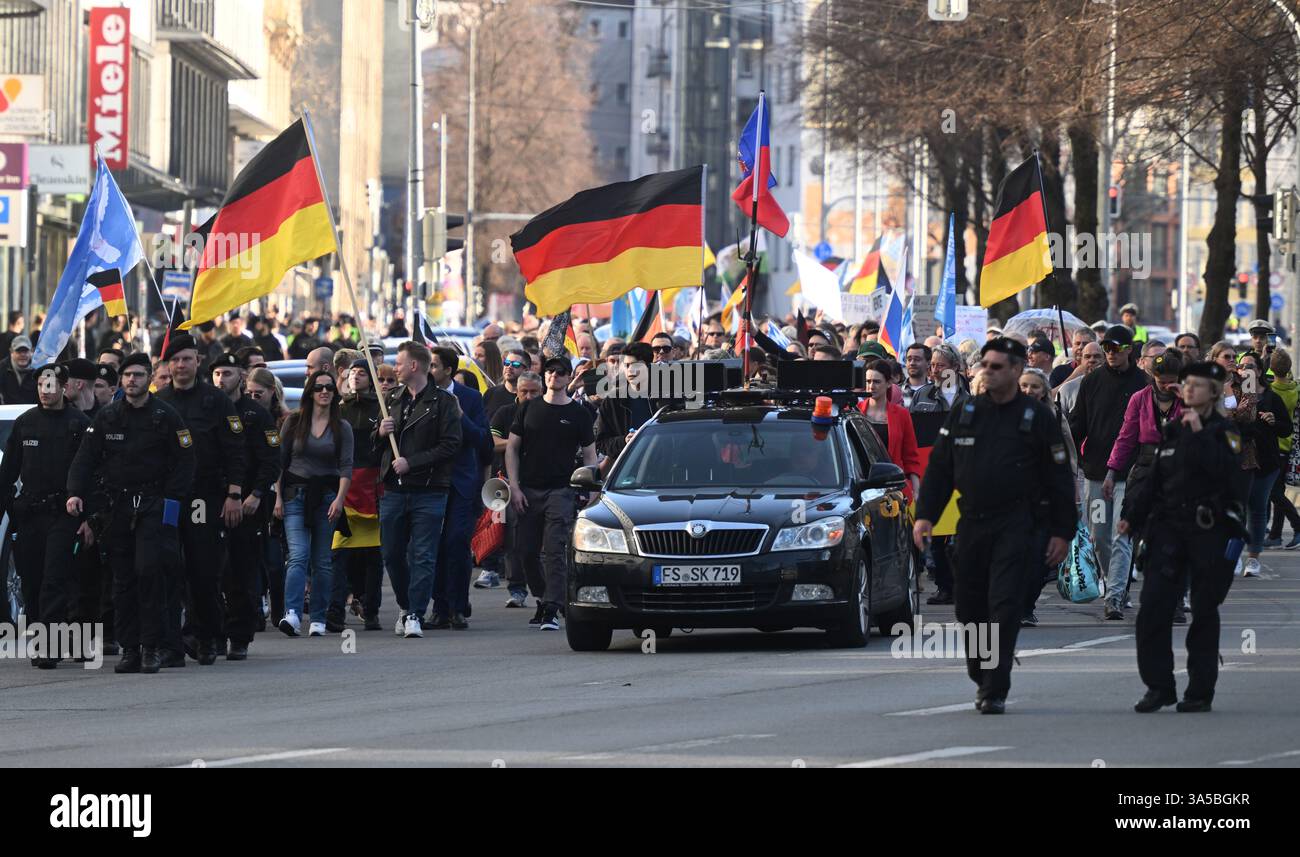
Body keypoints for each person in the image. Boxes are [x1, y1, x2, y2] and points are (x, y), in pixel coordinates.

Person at [914, 338, 1076, 714]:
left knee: (1004, 605)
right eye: (985, 365)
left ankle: (994, 686)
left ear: (1017, 370)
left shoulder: (1036, 419)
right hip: (972, 522)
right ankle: (981, 671)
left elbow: (1058, 479)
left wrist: (1062, 531)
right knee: (969, 607)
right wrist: (926, 515)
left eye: (998, 366)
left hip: (1018, 524)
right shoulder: (966, 412)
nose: (988, 371)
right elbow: (940, 469)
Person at [1120, 361, 1248, 713]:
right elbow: (1156, 478)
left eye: (1198, 385)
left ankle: (1199, 691)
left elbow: (1230, 479)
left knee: (1205, 611)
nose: (1189, 390)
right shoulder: (1174, 429)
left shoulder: (1226, 433)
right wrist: (1132, 516)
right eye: (1186, 384)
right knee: (1153, 610)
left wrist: (1200, 436)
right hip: (1168, 530)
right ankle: (1159, 686)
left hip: (1210, 531)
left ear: (1215, 392)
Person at [67, 353, 195, 673]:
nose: (132, 380)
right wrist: (75, 494)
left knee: (148, 572)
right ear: (121, 380)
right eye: (127, 376)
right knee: (122, 580)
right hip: (118, 507)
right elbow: (85, 459)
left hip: (153, 504)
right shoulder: (108, 418)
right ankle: (131, 649)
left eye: (138, 375)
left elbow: (185, 461)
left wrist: (171, 502)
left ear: (149, 378)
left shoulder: (166, 416)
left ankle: (152, 647)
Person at [154, 334, 249, 665]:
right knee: (166, 570)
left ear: (197, 361)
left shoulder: (216, 401)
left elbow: (236, 451)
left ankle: (209, 636)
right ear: (168, 365)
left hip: (203, 497)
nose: (181, 366)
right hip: (167, 499)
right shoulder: (160, 401)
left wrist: (234, 493)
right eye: (175, 360)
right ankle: (171, 643)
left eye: (187, 359)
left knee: (203, 569)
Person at [0, 365, 94, 666]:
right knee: (32, 581)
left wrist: (88, 518)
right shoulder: (26, 423)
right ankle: (43, 637)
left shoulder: (79, 424)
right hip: (29, 514)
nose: (46, 390)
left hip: (63, 513)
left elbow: (92, 474)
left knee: (55, 578)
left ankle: (49, 647)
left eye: (52, 384)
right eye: (42, 384)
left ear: (65, 387)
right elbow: (8, 472)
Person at [375, 341, 462, 638]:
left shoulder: (444, 403)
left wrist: (412, 463)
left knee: (423, 554)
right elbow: (375, 448)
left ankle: (415, 613)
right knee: (392, 553)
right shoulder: (391, 399)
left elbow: (450, 445)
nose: (394, 368)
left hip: (429, 489)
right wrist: (380, 432)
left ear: (414, 366)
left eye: (399, 363)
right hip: (394, 490)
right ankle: (405, 603)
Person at [507, 356, 597, 631]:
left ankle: (552, 608)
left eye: (560, 372)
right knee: (526, 552)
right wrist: (514, 486)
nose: (553, 376)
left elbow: (590, 456)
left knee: (555, 550)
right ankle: (544, 598)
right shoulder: (528, 408)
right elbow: (511, 448)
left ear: (569, 377)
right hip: (528, 489)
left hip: (562, 490)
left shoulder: (580, 413)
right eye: (549, 371)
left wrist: (590, 490)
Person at [1068, 325, 1148, 620]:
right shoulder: (1092, 382)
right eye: (1107, 349)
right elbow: (1079, 424)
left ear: (1129, 350)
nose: (1111, 354)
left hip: (1131, 475)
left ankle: (1115, 595)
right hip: (1096, 474)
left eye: (1116, 348)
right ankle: (1112, 580)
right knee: (1099, 537)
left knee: (1121, 537)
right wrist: (1063, 441)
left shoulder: (1144, 383)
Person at [210, 353, 281, 658]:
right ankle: (210, 632)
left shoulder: (255, 414)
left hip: (248, 505)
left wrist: (256, 495)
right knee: (209, 571)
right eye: (216, 374)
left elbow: (271, 460)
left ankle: (240, 634)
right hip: (211, 503)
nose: (221, 380)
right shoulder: (207, 410)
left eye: (227, 373)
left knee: (242, 569)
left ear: (240, 376)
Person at [273, 370, 352, 636]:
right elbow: (280, 463)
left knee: (322, 560)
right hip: (294, 495)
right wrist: (277, 498)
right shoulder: (294, 422)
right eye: (319, 388)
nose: (324, 392)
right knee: (297, 556)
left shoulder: (342, 427)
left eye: (329, 387)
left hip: (327, 497)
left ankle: (318, 617)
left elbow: (346, 467)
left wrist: (340, 500)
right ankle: (292, 613)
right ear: (310, 392)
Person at [430, 345, 491, 630]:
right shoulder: (423, 396)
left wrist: (460, 416)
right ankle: (439, 608)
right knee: (433, 545)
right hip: (429, 482)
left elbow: (483, 440)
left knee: (456, 542)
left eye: (433, 366)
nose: (429, 371)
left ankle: (457, 607)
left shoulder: (471, 398)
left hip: (461, 484)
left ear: (447, 370)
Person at [1016, 366, 1076, 627]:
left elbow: (1069, 455)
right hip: (1015, 499)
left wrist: (1070, 487)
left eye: (1034, 386)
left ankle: (1027, 605)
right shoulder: (1005, 413)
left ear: (1043, 390)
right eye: (1024, 386)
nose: (1028, 390)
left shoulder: (1054, 415)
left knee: (1041, 559)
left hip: (1046, 497)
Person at [328, 358, 384, 631]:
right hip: (345, 487)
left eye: (362, 373)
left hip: (373, 486)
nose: (356, 377)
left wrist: (383, 432)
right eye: (353, 373)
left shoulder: (382, 409)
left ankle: (371, 610)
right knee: (340, 554)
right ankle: (335, 610)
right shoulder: (338, 410)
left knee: (373, 556)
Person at [490, 371, 544, 608]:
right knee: (513, 537)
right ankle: (517, 588)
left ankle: (545, 591)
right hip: (509, 484)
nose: (529, 396)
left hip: (543, 483)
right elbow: (493, 443)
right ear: (517, 392)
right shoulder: (505, 413)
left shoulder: (549, 412)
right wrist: (518, 442)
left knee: (543, 543)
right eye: (525, 392)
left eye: (534, 392)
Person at [1237, 350, 1289, 577]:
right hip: (1239, 461)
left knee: (1257, 509)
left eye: (1251, 366)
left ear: (1260, 371)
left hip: (1266, 462)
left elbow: (1286, 428)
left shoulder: (1271, 397)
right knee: (1236, 510)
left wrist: (1273, 421)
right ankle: (1234, 556)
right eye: (1242, 366)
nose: (1246, 370)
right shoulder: (1233, 393)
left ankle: (1253, 559)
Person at [858, 361, 922, 501]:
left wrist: (916, 491)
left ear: (888, 383)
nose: (871, 386)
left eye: (877, 382)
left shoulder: (901, 415)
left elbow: (910, 457)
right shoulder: (855, 411)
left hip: (893, 488)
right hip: (862, 488)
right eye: (868, 381)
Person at [1265, 348, 1300, 549]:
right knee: (1278, 490)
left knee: (1273, 492)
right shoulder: (1295, 389)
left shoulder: (1272, 392)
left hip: (1274, 446)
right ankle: (1276, 535)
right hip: (1288, 447)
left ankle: (1297, 525)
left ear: (1271, 368)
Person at [0, 335, 37, 404]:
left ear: (31, 351)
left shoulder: (38, 369)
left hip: (32, 412)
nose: (22, 354)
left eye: (25, 351)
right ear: (11, 351)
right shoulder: (2, 368)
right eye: (19, 351)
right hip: (7, 411)